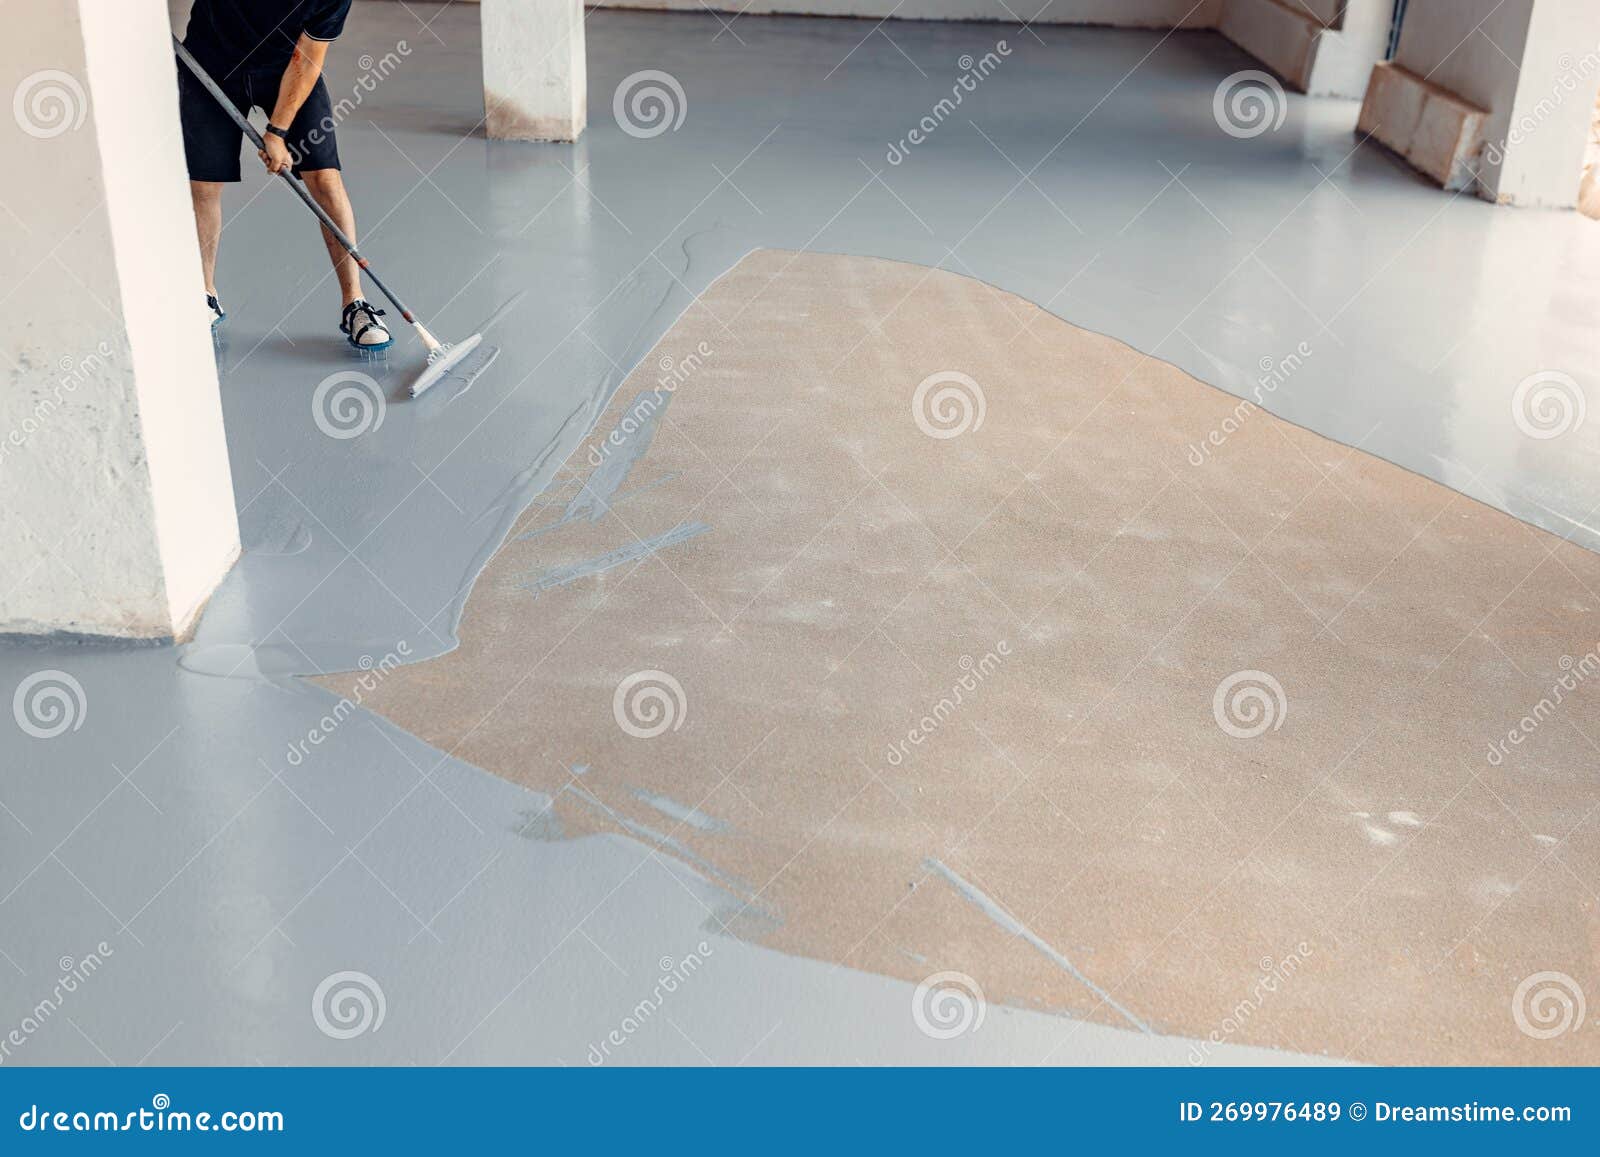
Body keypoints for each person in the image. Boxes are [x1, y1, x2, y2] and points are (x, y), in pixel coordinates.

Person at [178, 0, 391, 351]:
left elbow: (307, 58)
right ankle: (205, 294)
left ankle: (355, 303)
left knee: (324, 177)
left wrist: (277, 131)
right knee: (203, 183)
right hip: (211, 63)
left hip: (286, 66)